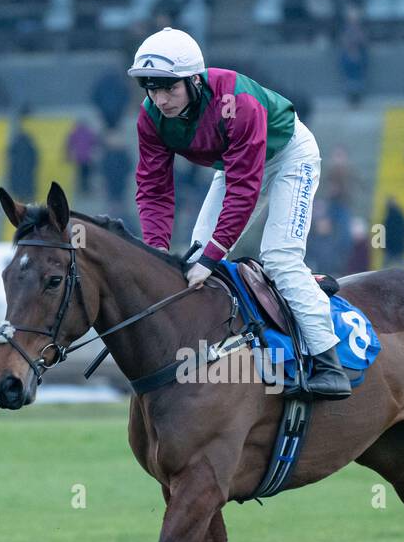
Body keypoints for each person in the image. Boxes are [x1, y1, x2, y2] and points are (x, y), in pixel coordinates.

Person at [129, 26, 350, 399]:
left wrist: (214, 256)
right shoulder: (150, 117)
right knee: (194, 261)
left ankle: (330, 365)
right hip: (237, 165)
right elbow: (154, 190)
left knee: (279, 257)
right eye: (152, 88)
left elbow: (244, 189)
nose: (161, 99)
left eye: (169, 88)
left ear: (195, 81)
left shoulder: (237, 102)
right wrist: (157, 253)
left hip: (289, 156)